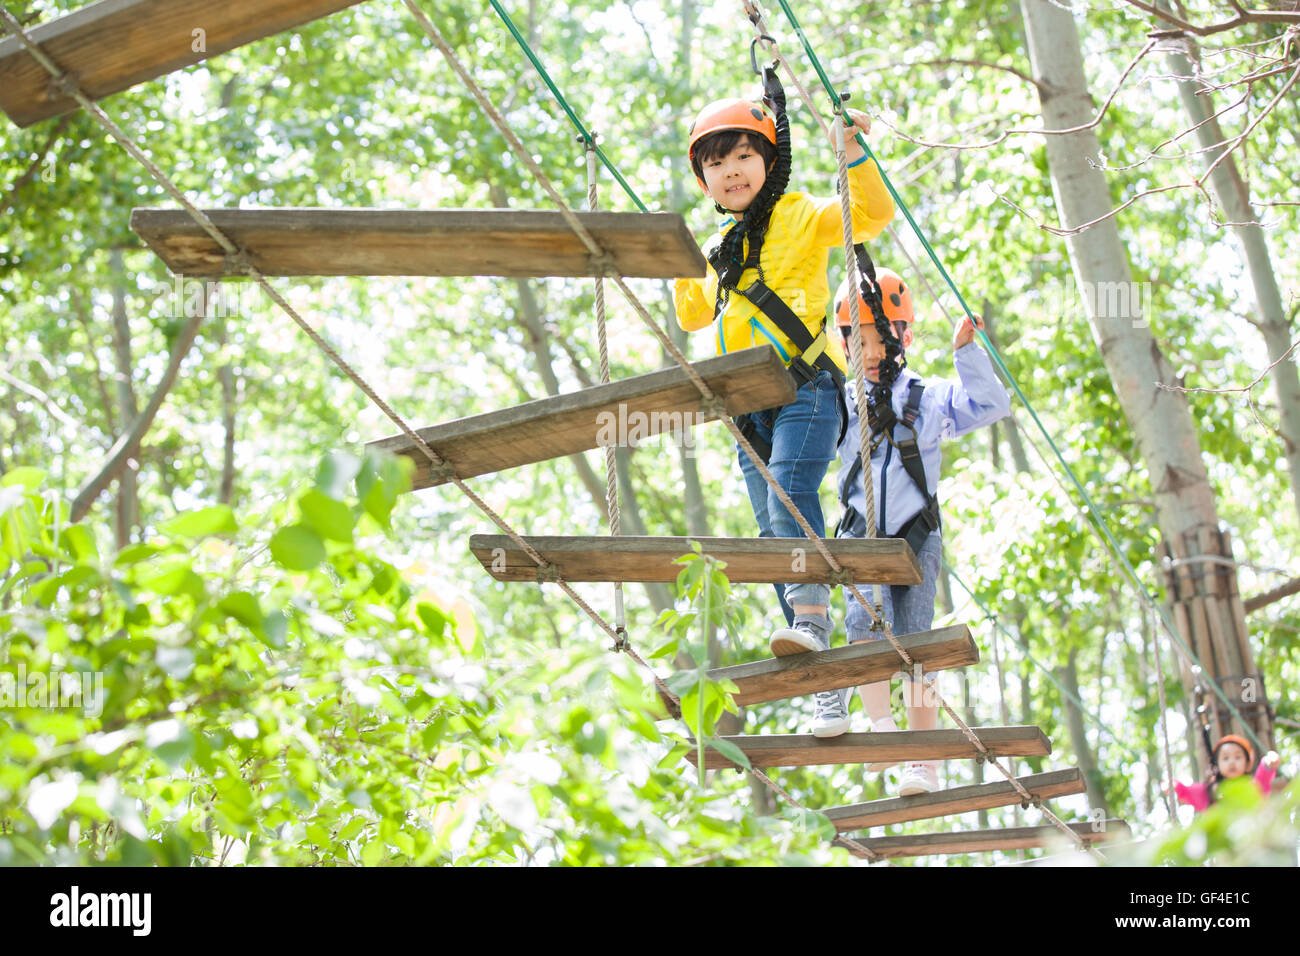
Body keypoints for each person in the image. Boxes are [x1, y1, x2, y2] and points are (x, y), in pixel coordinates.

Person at [672, 68, 894, 692]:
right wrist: (682, 260)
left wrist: (854, 155)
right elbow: (692, 314)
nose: (733, 171)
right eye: (718, 164)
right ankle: (810, 655)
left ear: (769, 162)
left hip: (806, 388)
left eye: (745, 155)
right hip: (746, 407)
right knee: (772, 527)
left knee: (788, 491)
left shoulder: (800, 215)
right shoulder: (717, 247)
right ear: (704, 180)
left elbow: (870, 217)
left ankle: (815, 619)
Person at [825, 264, 1010, 795]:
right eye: (859, 341)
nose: (873, 351)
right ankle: (883, 729)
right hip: (861, 531)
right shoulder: (840, 400)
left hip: (915, 534)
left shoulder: (927, 399)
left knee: (916, 647)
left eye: (881, 338)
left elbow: (991, 404)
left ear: (904, 337)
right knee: (863, 627)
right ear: (844, 346)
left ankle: (922, 761)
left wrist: (967, 354)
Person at [1171, 733, 1280, 813]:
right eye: (1225, 758)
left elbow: (1264, 774)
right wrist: (1173, 786)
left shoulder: (1253, 786)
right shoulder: (1209, 792)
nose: (1232, 762)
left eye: (1238, 757)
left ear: (1247, 763)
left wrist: (1268, 762)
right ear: (1217, 765)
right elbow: (1185, 791)